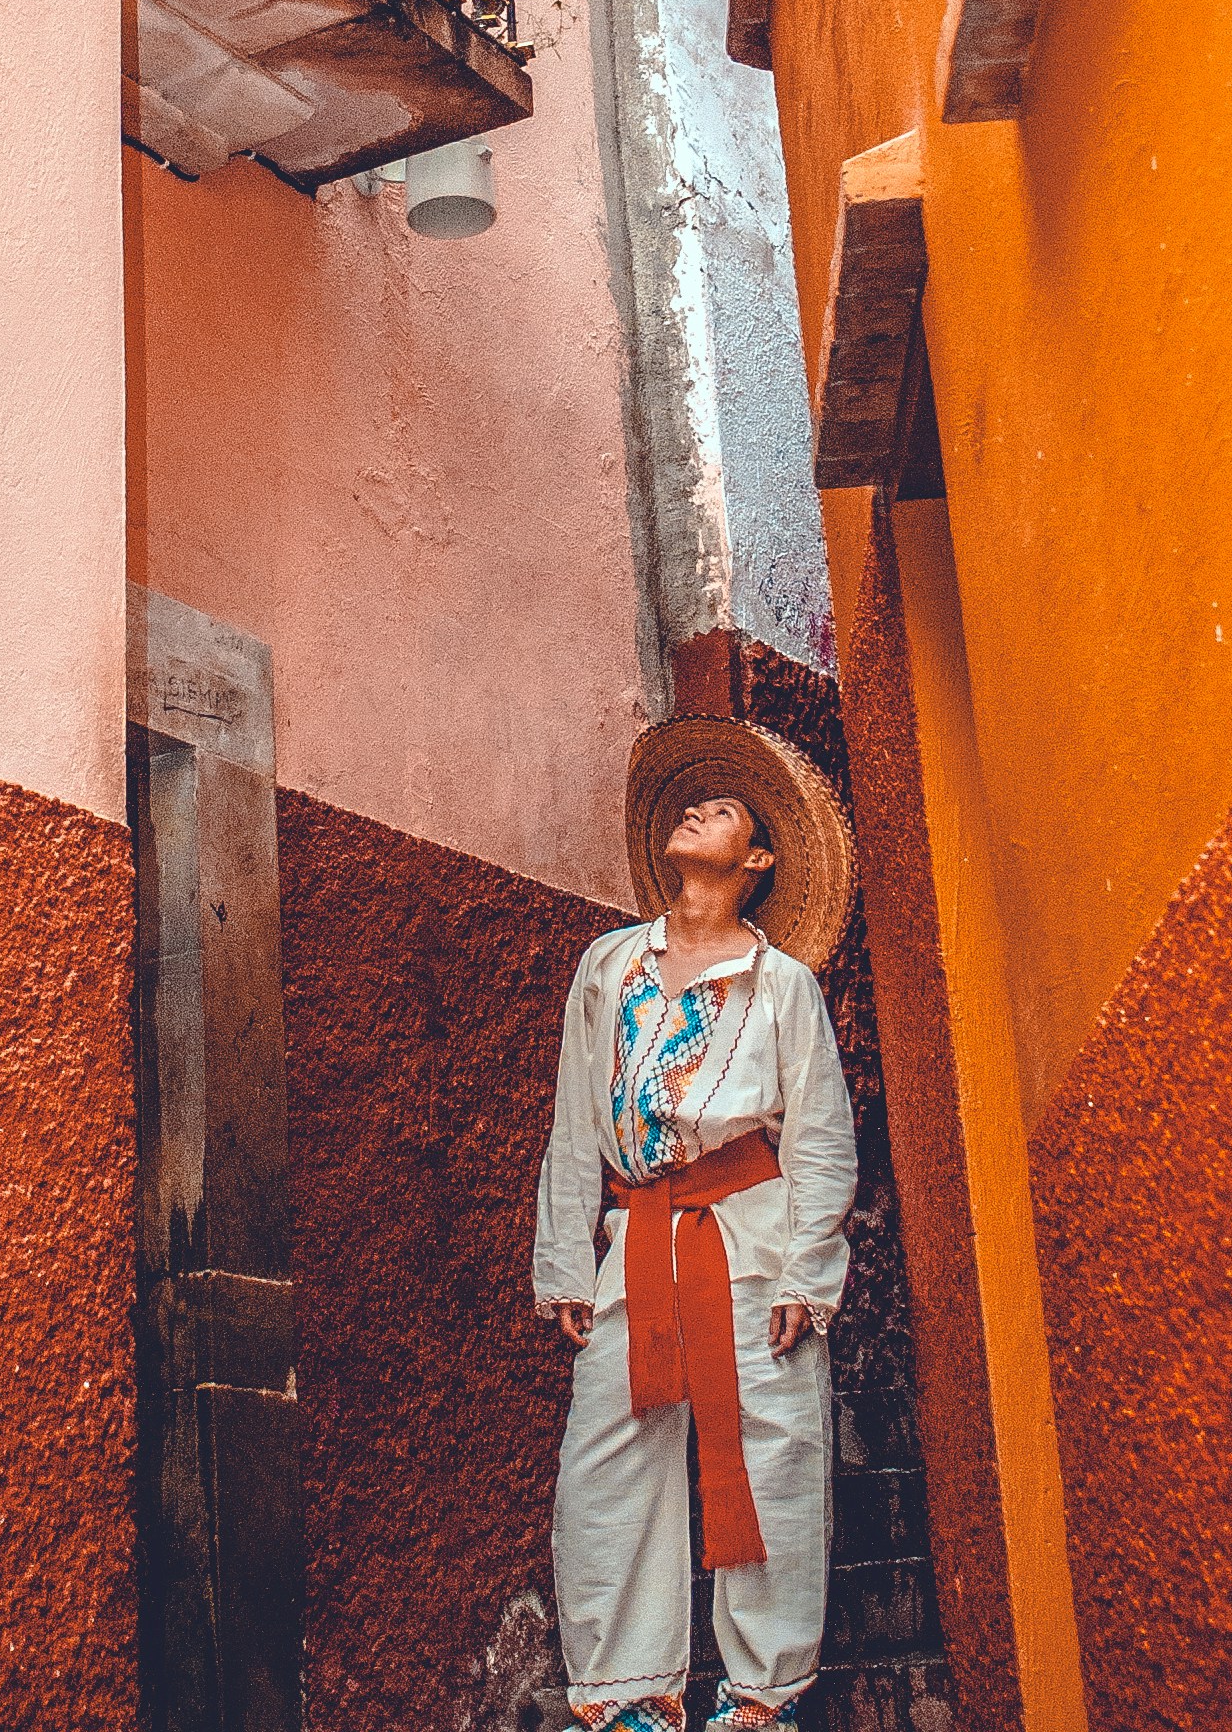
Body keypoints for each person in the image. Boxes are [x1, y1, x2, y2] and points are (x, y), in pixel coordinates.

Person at [534, 719, 858, 1732]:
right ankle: (628, 1698)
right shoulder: (607, 966)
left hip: (752, 1242)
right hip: (636, 1242)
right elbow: (573, 1120)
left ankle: (761, 1699)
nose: (695, 810)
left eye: (720, 810)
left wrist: (810, 1276)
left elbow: (817, 1141)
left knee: (770, 1452)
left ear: (755, 860)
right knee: (604, 1460)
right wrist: (564, 1264)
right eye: (688, 804)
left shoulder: (781, 988)